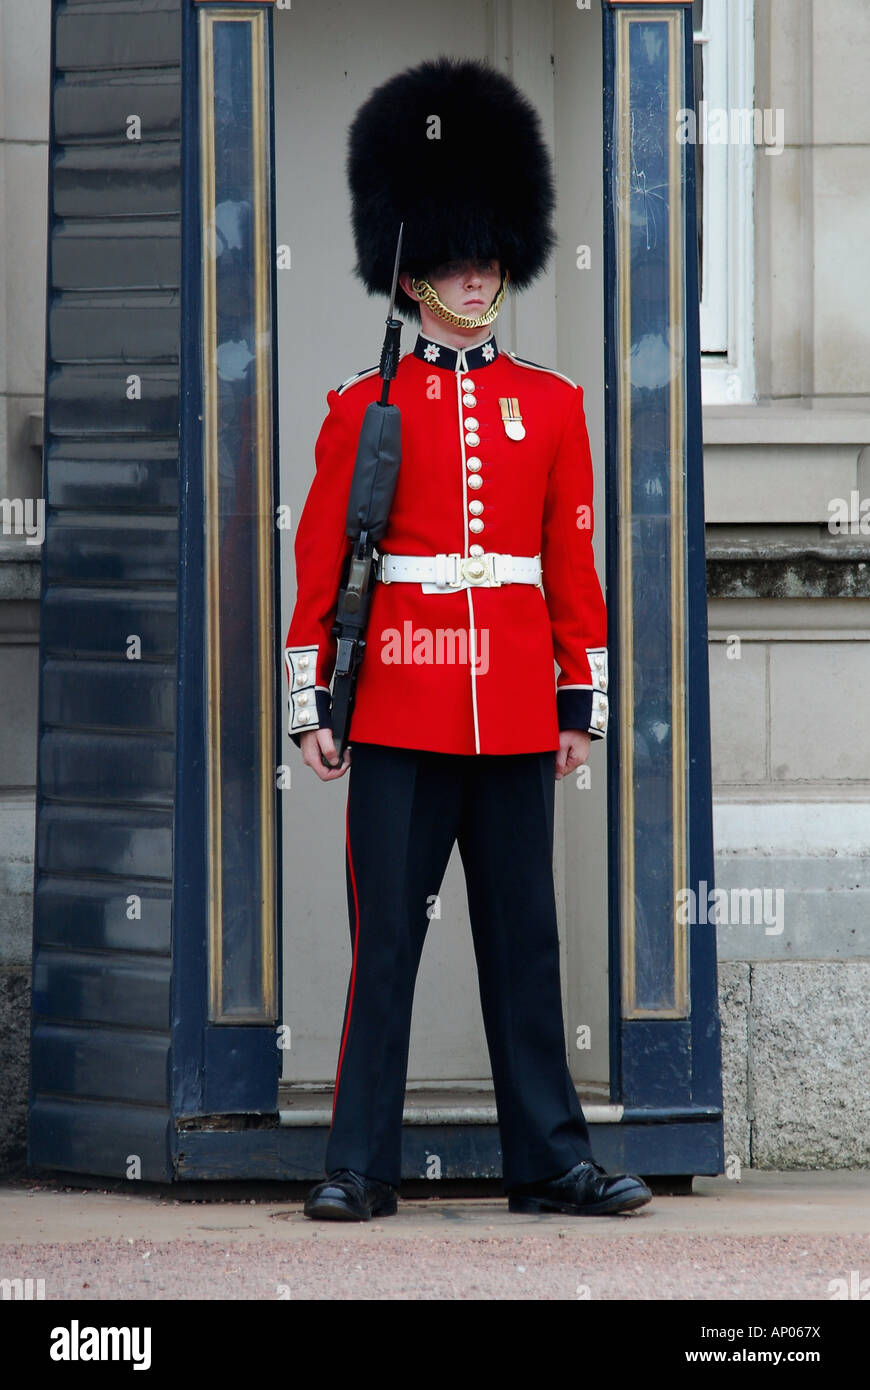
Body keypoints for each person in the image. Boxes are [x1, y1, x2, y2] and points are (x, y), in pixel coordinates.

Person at [284, 56, 652, 1221]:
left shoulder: (551, 404)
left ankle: (550, 1160)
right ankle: (358, 1165)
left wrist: (576, 701)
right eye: (453, 257)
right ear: (413, 270)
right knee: (385, 947)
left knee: (526, 946)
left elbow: (569, 565)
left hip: (512, 708)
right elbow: (323, 569)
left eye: (489, 255)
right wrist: (313, 701)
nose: (477, 274)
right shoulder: (362, 409)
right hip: (397, 707)